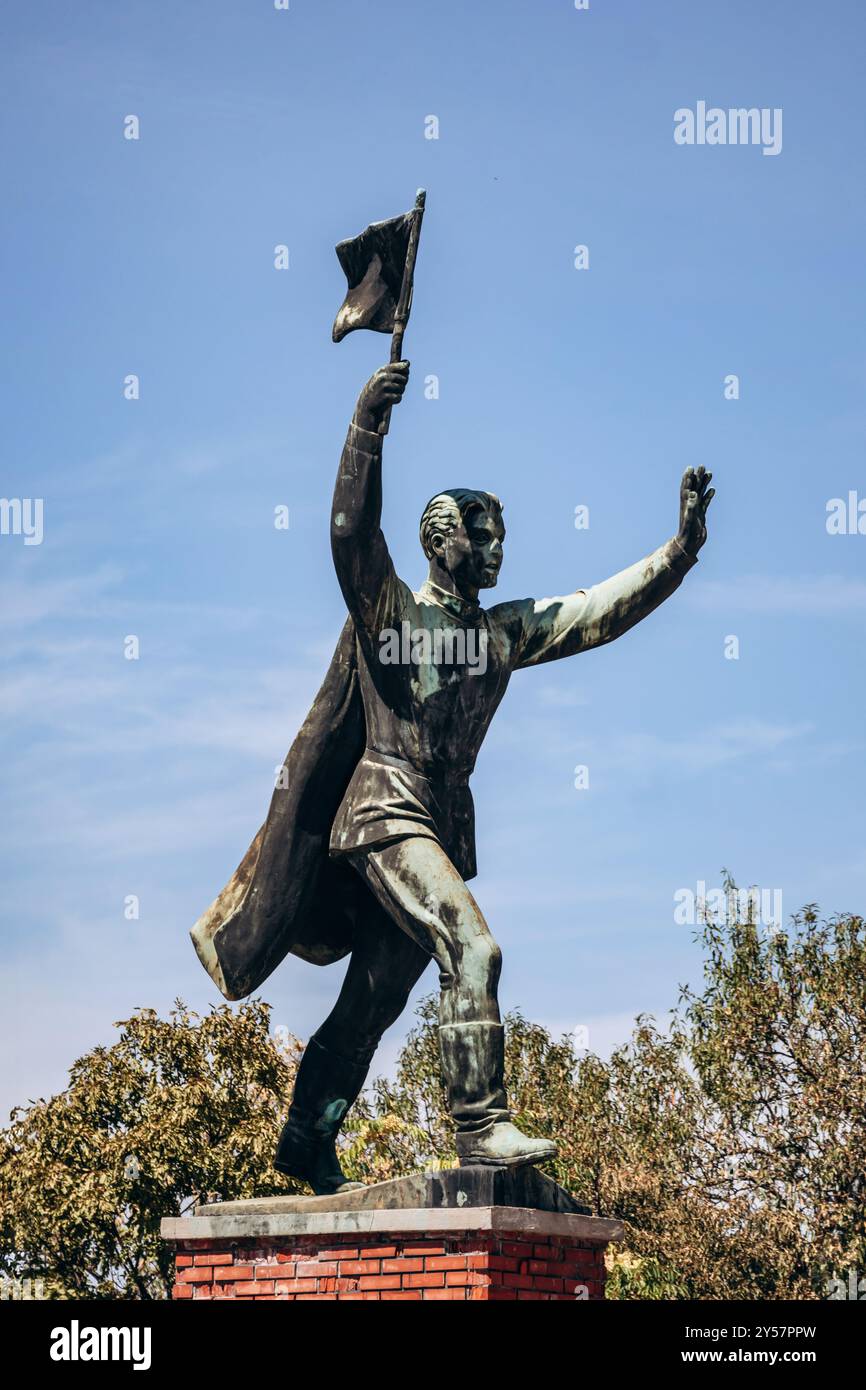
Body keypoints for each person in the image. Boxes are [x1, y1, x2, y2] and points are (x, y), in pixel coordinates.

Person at [275, 361, 714, 1193]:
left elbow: (595, 613)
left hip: (435, 827)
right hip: (383, 813)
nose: (496, 548)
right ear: (439, 541)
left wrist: (679, 553)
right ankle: (481, 1126)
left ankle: (304, 1136)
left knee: (373, 1000)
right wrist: (366, 427)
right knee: (473, 948)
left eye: (500, 536)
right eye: (480, 536)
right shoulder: (393, 614)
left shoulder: (501, 633)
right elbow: (350, 536)